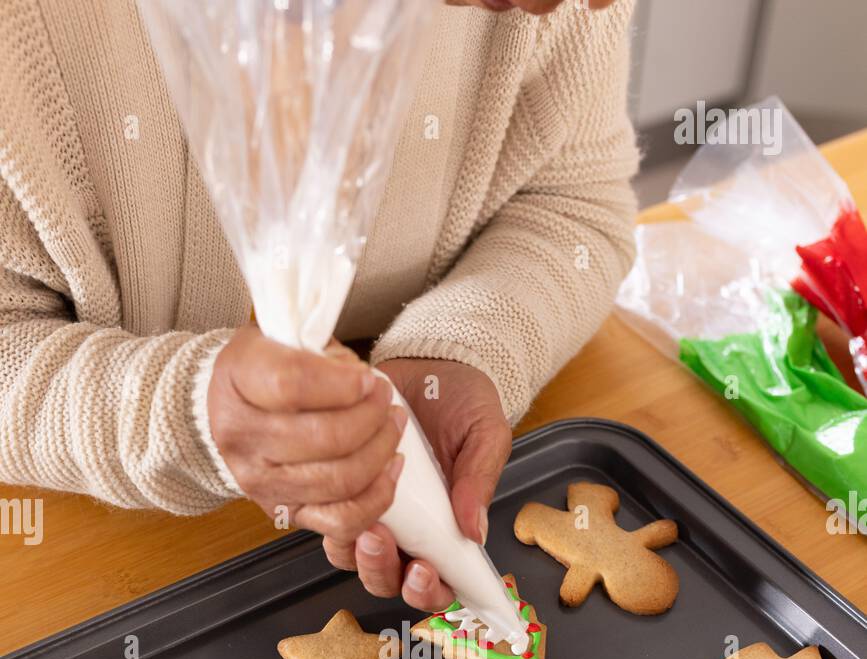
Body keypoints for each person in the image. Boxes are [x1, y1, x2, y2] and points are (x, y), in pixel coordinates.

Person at [0, 0, 637, 612]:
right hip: (90, 564)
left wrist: (460, 351)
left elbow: (571, 201)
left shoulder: (547, 17)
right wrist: (181, 414)